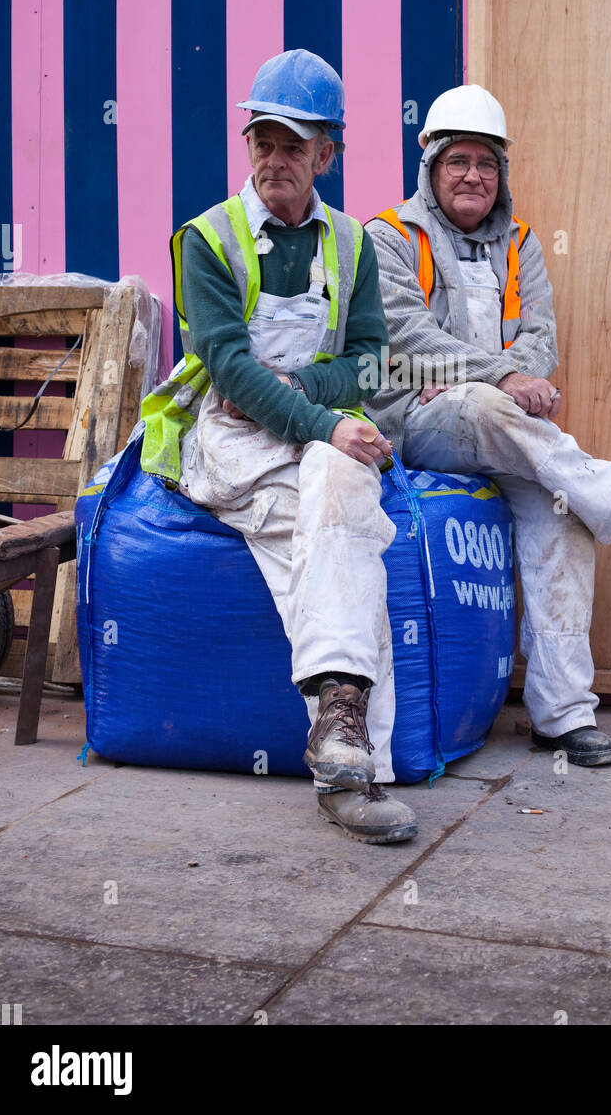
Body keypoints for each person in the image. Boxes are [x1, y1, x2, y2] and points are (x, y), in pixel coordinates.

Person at [365, 84, 611, 767]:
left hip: (502, 427)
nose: (472, 176)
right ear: (429, 166)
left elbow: (538, 341)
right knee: (486, 405)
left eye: (486, 163)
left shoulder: (520, 243)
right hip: (418, 421)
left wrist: (507, 380)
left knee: (564, 506)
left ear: (501, 174)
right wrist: (499, 380)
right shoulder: (387, 237)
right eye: (457, 160)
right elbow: (405, 340)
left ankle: (563, 715)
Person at [140, 49, 417, 843]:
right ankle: (358, 767)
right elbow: (226, 368)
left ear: (327, 154)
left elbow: (368, 359)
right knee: (343, 533)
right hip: (232, 442)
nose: (273, 159)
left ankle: (340, 746)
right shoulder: (208, 238)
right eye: (262, 140)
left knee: (336, 504)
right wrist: (327, 416)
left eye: (293, 145)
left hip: (301, 434)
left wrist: (307, 400)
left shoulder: (353, 243)